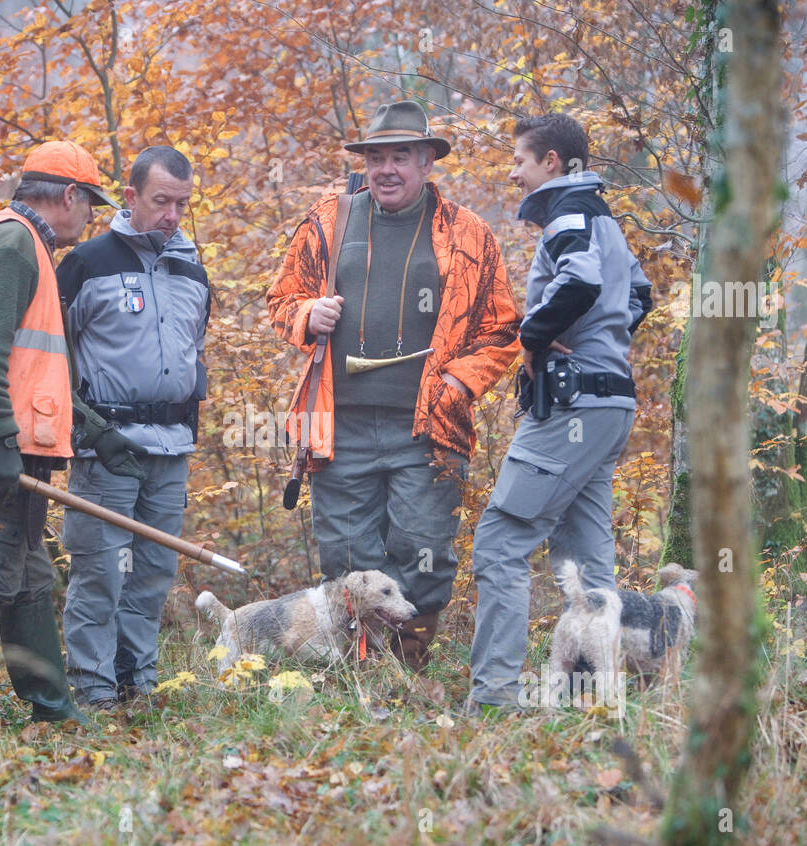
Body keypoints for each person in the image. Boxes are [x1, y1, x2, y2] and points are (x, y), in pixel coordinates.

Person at [267, 101, 521, 671]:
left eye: (400, 156)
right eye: (376, 157)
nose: (386, 168)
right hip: (340, 427)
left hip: (428, 428)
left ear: (427, 161)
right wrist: (307, 315)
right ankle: (358, 674)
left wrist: (458, 381)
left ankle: (408, 671)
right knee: (347, 559)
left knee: (423, 554)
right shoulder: (329, 219)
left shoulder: (467, 233)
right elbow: (281, 300)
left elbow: (503, 327)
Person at [0, 139, 140, 731]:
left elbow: (38, 372)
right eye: (90, 202)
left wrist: (98, 433)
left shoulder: (29, 247)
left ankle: (51, 708)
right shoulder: (13, 243)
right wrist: (2, 440)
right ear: (68, 196)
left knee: (28, 574)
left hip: (14, 446)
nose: (91, 216)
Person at [466, 113, 652, 713]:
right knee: (584, 558)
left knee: (500, 543)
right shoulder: (607, 220)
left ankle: (493, 697)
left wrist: (535, 339)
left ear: (551, 163)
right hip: (609, 404)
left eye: (520, 159)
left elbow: (579, 282)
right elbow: (640, 295)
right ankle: (590, 699)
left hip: (572, 405)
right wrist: (598, 342)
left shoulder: (569, 211)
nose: (513, 171)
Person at [57, 146, 210, 710]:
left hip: (171, 449)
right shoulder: (86, 263)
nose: (171, 215)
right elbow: (49, 357)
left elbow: (195, 354)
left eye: (181, 204)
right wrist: (89, 429)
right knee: (101, 574)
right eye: (161, 201)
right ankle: (94, 692)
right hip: (106, 450)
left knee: (151, 573)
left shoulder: (192, 270)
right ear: (131, 198)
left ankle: (137, 685)